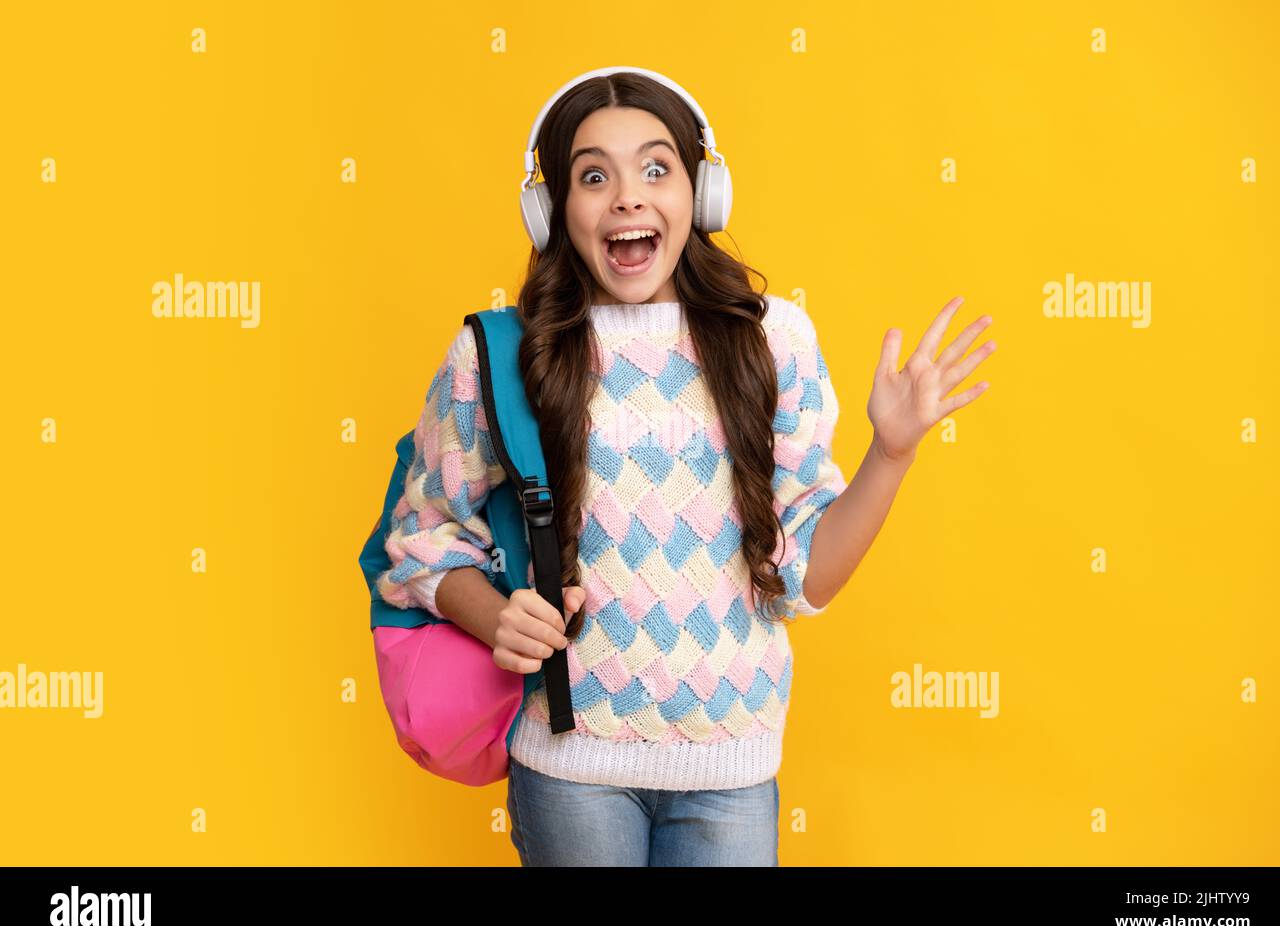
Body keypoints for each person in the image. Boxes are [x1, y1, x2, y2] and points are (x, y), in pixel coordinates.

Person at [374, 70, 996, 866]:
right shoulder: (499, 355)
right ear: (553, 211)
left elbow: (809, 577)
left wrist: (893, 451)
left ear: (703, 195)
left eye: (656, 168)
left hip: (731, 771)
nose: (628, 197)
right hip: (569, 770)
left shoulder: (774, 342)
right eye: (594, 175)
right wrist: (494, 616)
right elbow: (422, 539)